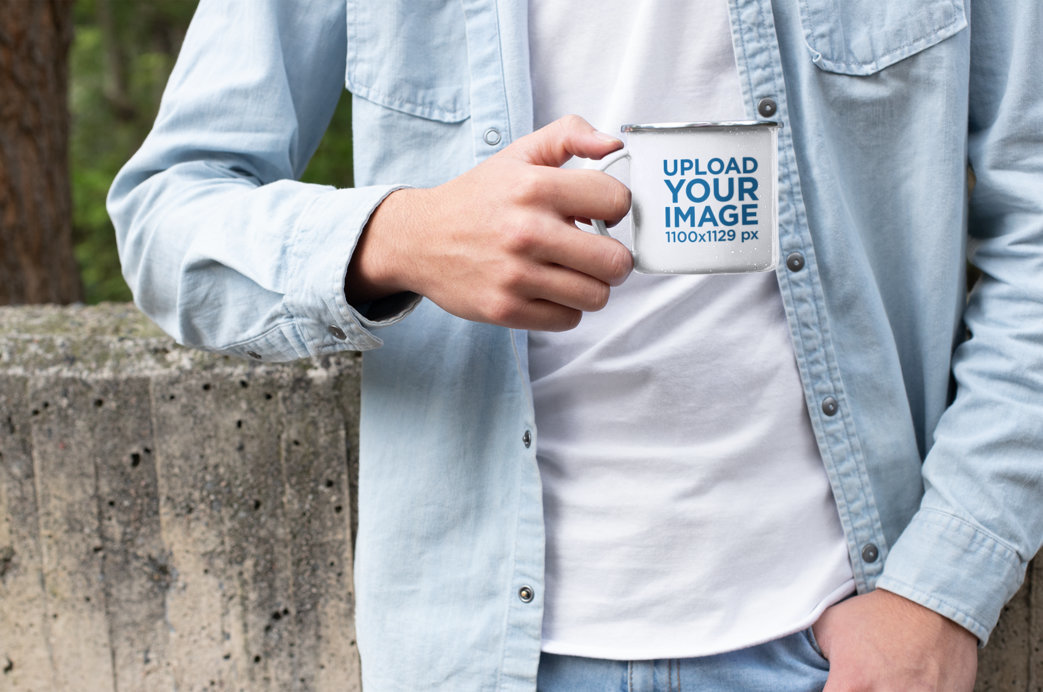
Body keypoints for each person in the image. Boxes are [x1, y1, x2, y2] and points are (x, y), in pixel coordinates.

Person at [108, 1, 1043, 690]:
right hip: (482, 652)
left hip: (843, 639)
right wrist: (402, 237)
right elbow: (165, 215)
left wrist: (939, 591)